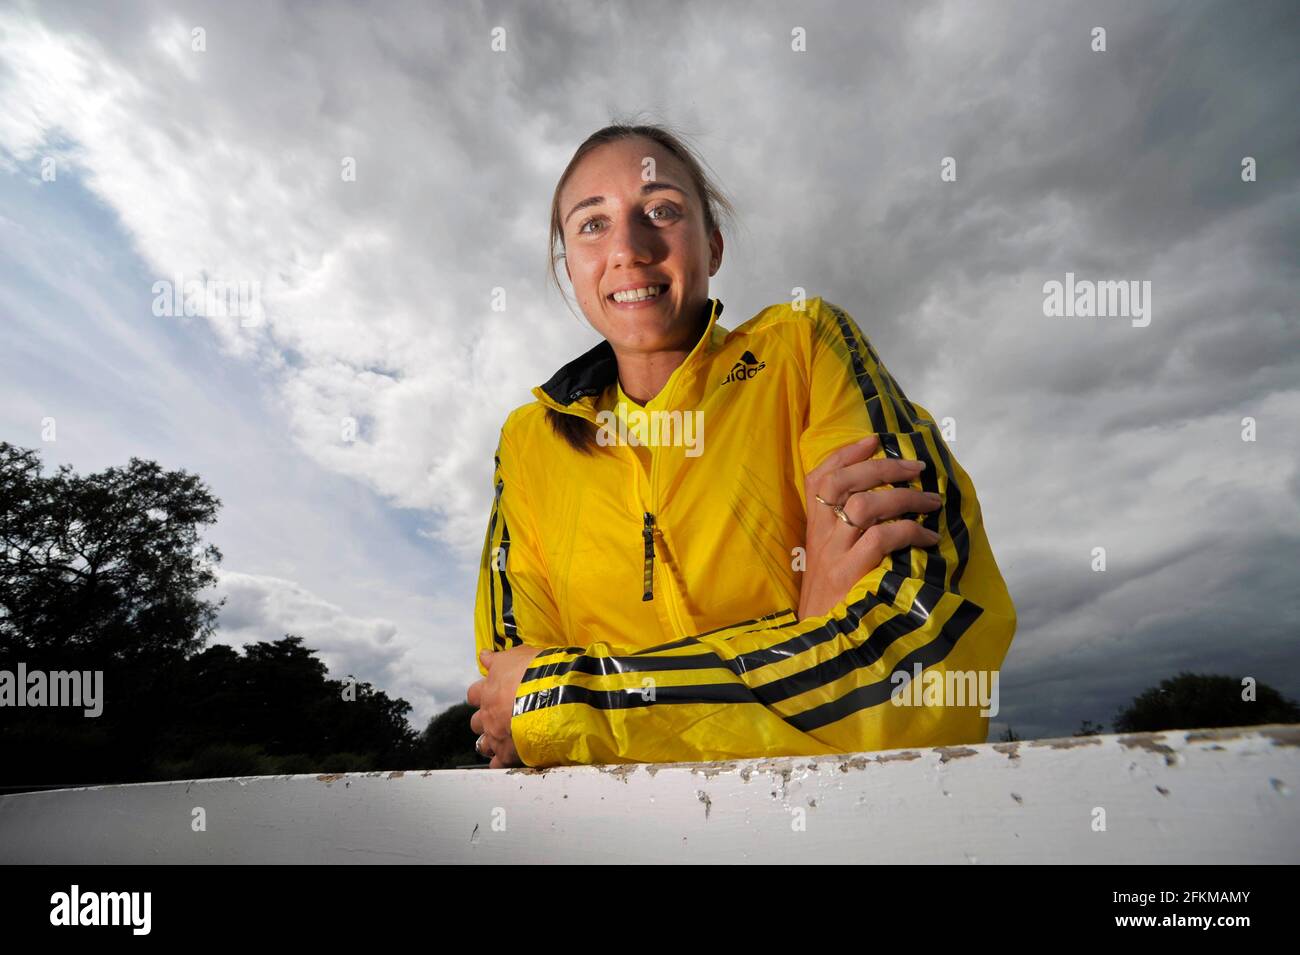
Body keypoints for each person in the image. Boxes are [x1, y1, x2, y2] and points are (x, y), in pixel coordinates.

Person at [466, 123, 1017, 767]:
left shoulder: (806, 348)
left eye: (661, 211)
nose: (629, 248)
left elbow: (917, 669)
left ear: (714, 245)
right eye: (591, 225)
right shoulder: (527, 441)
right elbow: (511, 714)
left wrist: (574, 701)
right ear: (568, 264)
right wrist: (808, 634)